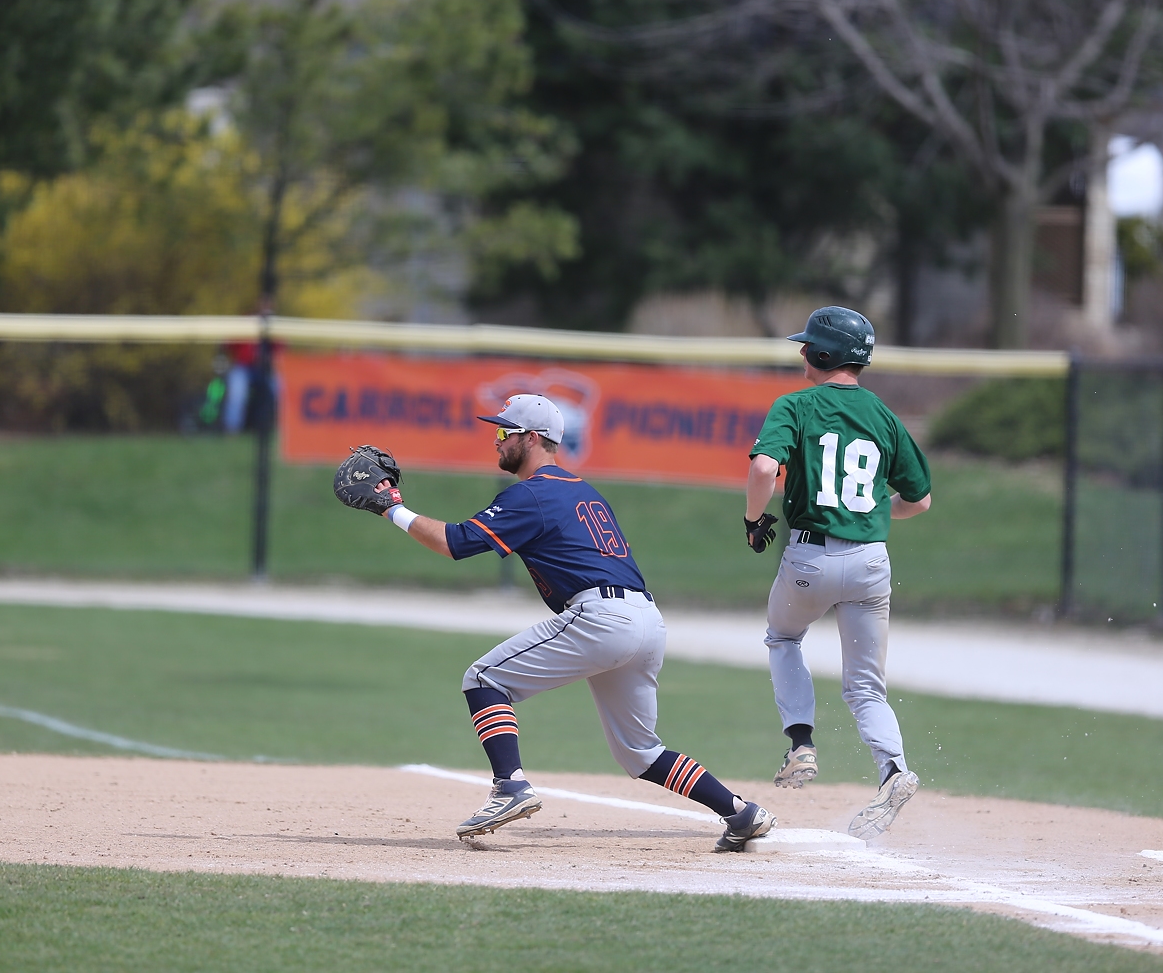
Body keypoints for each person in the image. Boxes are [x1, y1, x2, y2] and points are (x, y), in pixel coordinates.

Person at [359, 393, 775, 852]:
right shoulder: (582, 489)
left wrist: (389, 506)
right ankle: (740, 812)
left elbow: (454, 543)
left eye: (504, 432)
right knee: (641, 752)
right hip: (646, 619)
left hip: (602, 617)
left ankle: (510, 786)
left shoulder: (533, 493)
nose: (496, 441)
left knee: (483, 679)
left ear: (531, 438)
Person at [743, 306, 932, 841]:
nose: (802, 353)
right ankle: (894, 770)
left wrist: (754, 519)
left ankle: (800, 743)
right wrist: (870, 511)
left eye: (808, 346)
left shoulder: (796, 405)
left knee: (783, 637)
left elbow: (762, 468)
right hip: (872, 560)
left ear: (823, 355)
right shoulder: (884, 415)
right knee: (867, 688)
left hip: (810, 555)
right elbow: (918, 500)